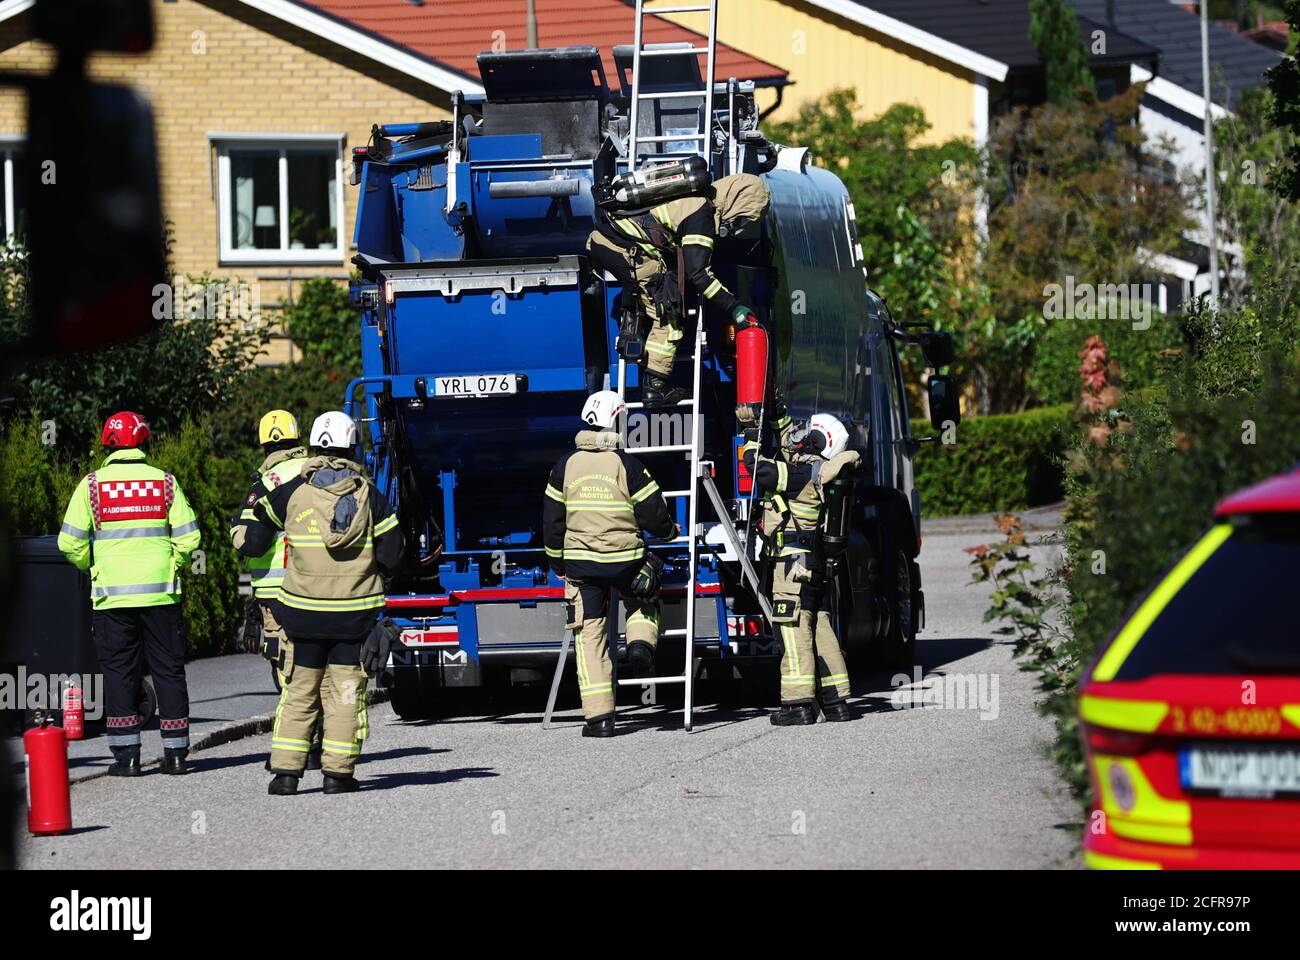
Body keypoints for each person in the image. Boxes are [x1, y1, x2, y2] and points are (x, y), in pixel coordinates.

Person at [236, 411, 403, 795]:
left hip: (301, 613)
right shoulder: (368, 495)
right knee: (344, 693)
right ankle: (337, 776)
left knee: (299, 690)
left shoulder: (295, 491)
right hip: (351, 615)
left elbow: (256, 529)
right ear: (352, 446)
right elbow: (394, 553)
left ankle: (285, 776)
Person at [57, 412, 202, 776]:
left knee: (120, 673)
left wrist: (94, 565)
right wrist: (172, 563)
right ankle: (176, 756)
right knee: (168, 671)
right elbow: (190, 537)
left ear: (108, 444)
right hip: (161, 597)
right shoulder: (165, 483)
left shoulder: (91, 486)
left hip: (112, 598)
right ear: (144, 442)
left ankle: (128, 758)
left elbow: (68, 543)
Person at [543, 390, 677, 737]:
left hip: (582, 566)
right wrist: (668, 531)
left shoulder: (564, 466)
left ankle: (599, 719)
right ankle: (640, 645)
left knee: (590, 637)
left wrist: (557, 561)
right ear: (617, 421)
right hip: (626, 560)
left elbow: (552, 521)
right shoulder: (627, 464)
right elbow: (654, 513)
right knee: (644, 598)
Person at [587, 173, 771, 406]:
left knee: (654, 292)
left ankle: (633, 323)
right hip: (626, 250)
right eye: (741, 218)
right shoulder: (701, 214)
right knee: (668, 316)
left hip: (608, 240)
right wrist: (734, 307)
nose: (736, 226)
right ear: (737, 203)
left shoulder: (695, 197)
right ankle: (655, 388)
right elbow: (699, 274)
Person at [744, 413, 858, 725]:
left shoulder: (800, 476)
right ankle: (836, 702)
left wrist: (750, 434)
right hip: (814, 561)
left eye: (807, 431)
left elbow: (756, 468)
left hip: (792, 564)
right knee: (820, 628)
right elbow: (786, 444)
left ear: (818, 440)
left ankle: (797, 705)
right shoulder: (822, 473)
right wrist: (776, 409)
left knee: (792, 629)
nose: (799, 434)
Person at [229, 409, 321, 771]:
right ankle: (326, 746)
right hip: (322, 587)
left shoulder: (265, 483)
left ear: (265, 442)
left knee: (289, 671)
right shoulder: (320, 471)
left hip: (277, 592)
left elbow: (248, 541)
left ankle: (296, 750)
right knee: (323, 665)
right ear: (297, 439)